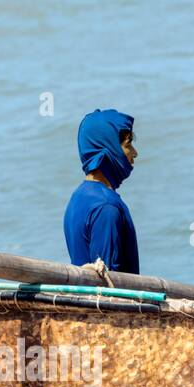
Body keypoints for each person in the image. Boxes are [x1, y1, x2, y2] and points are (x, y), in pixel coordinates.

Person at [63, 109, 140, 274]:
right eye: (128, 145)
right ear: (109, 147)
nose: (135, 153)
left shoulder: (77, 197)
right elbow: (108, 282)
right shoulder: (107, 207)